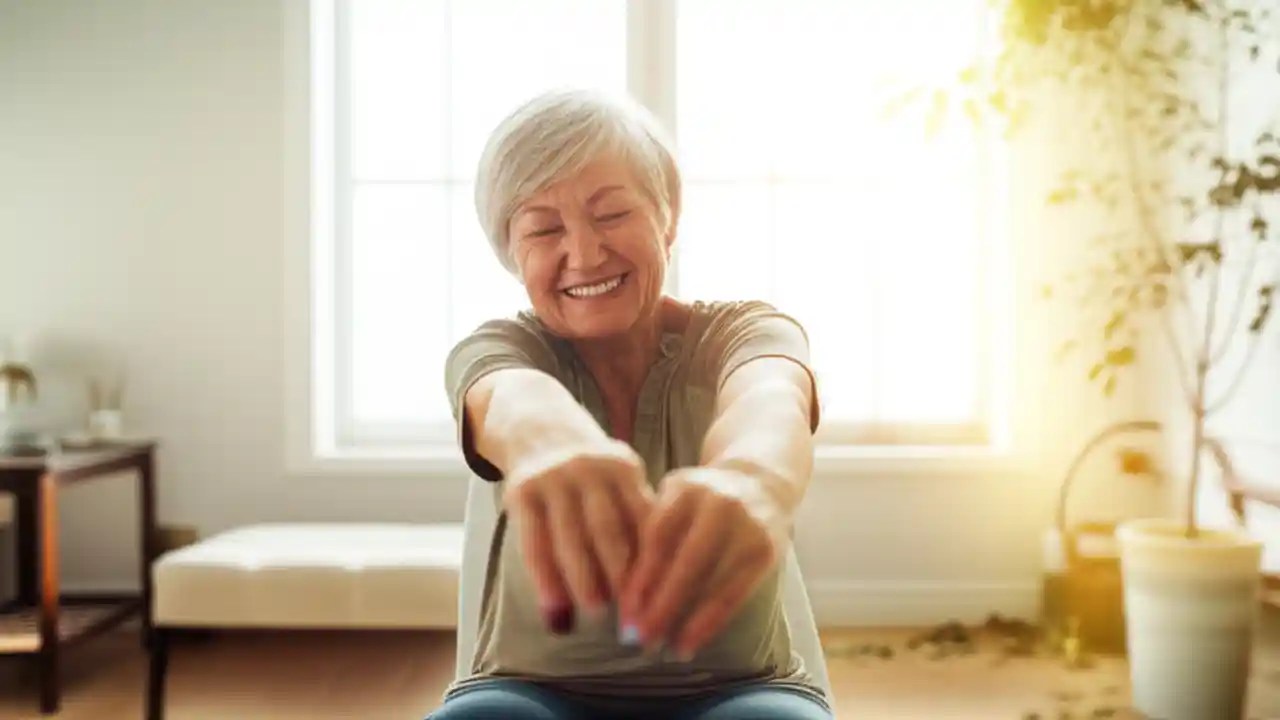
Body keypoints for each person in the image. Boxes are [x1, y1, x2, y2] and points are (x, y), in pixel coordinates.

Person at [431, 88, 830, 720]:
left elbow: (772, 394)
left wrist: (754, 476)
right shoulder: (503, 348)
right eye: (543, 228)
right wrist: (553, 445)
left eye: (611, 214)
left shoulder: (745, 333)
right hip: (527, 694)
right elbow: (508, 396)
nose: (585, 253)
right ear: (511, 251)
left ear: (667, 217)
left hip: (739, 690)